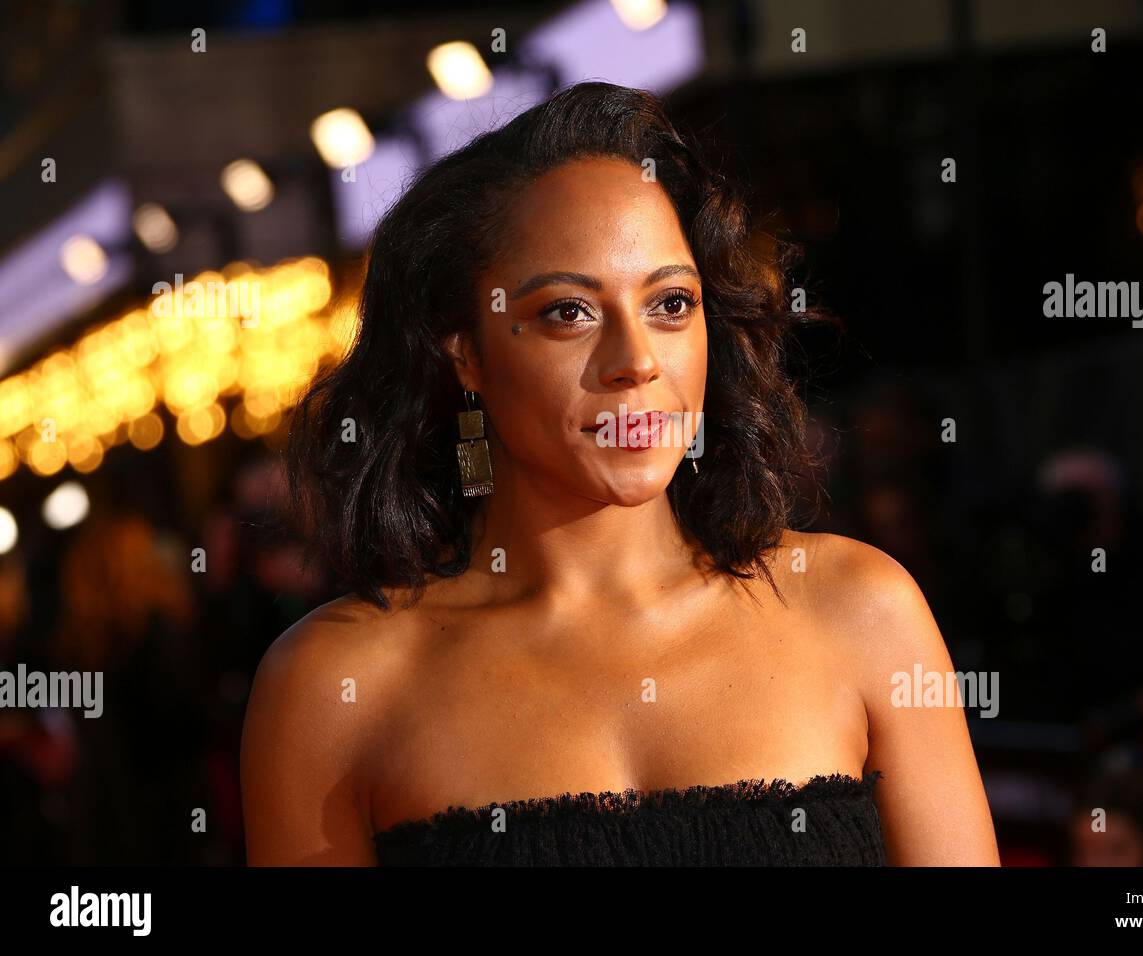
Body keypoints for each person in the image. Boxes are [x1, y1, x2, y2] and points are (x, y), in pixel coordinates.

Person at [241, 82, 999, 866]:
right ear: (464, 350)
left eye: (671, 303)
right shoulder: (334, 688)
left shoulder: (863, 614)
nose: (636, 362)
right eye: (569, 312)